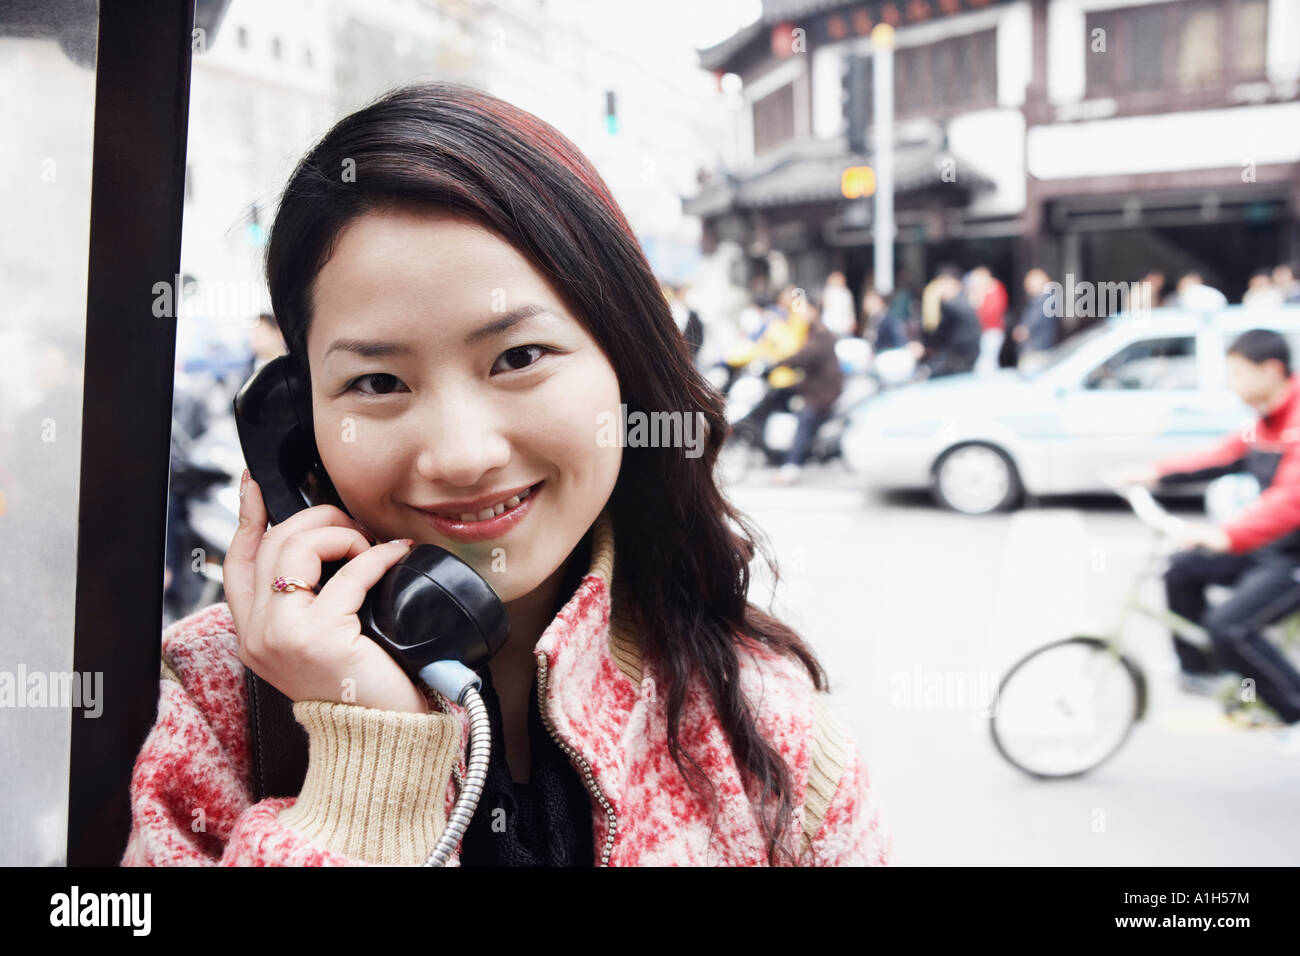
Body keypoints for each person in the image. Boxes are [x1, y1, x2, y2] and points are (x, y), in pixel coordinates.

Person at [121, 82, 891, 867]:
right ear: (293, 422)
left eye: (519, 358)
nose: (461, 454)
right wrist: (365, 784)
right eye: (378, 384)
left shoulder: (770, 736)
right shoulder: (214, 704)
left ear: (625, 362)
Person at [1110, 330, 1300, 745]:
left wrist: (1227, 534)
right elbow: (1224, 454)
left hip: (1292, 557)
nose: (1231, 383)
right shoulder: (1267, 418)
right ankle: (1202, 671)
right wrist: (1156, 472)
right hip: (1269, 543)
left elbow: (1292, 499)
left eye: (1236, 373)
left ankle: (1295, 712)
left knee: (1231, 625)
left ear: (1270, 370)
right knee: (1182, 569)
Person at [770, 302, 844, 486]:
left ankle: (791, 467)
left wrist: (781, 362)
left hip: (823, 391)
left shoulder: (821, 333)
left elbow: (805, 355)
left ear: (814, 310)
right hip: (814, 386)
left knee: (804, 422)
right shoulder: (811, 330)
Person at [911, 266, 979, 377]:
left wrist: (932, 299)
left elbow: (939, 335)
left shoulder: (953, 306)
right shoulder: (963, 302)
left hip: (956, 360)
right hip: (961, 357)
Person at [1012, 268, 1057, 374]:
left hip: (1036, 353)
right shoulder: (1041, 300)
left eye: (1030, 284)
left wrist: (1021, 331)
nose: (1027, 288)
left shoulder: (1044, 301)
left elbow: (1026, 329)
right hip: (1036, 351)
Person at [967, 265, 1008, 376]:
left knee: (987, 362)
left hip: (992, 330)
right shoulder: (978, 292)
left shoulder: (995, 289)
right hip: (981, 332)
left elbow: (991, 312)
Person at [820, 270, 856, 337]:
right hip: (831, 326)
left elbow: (849, 310)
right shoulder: (829, 292)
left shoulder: (845, 293)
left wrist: (852, 321)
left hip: (844, 327)